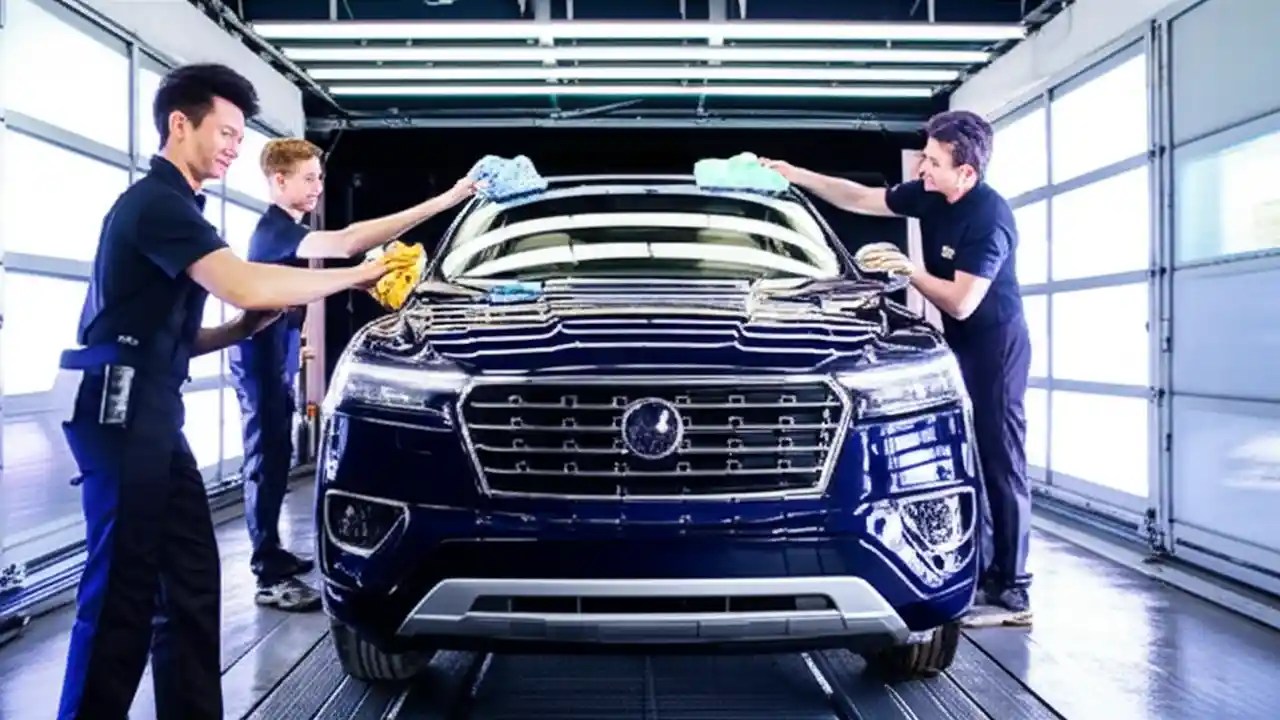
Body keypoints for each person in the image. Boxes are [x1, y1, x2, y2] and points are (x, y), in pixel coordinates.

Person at [55, 63, 413, 720]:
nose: (231, 147)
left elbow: (180, 333)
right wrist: (354, 278)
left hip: (151, 408)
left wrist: (240, 329)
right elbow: (248, 281)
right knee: (122, 594)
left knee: (190, 584)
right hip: (120, 407)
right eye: (223, 131)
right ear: (179, 123)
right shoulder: (156, 204)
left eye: (238, 136)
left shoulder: (181, 210)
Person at [760, 110, 1033, 626]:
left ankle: (1014, 592)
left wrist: (911, 270)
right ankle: (983, 576)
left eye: (933, 160)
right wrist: (795, 175)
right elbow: (860, 197)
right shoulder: (931, 194)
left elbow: (961, 302)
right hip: (963, 344)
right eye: (925, 156)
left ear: (966, 173)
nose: (922, 168)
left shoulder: (990, 219)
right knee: (972, 455)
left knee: (1001, 458)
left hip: (996, 344)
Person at [227, 137, 481, 611]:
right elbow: (346, 242)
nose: (318, 187)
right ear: (278, 181)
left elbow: (300, 283)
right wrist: (448, 199)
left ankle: (274, 555)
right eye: (308, 178)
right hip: (259, 355)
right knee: (266, 458)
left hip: (275, 349)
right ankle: (267, 574)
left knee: (277, 456)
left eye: (320, 178)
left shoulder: (288, 230)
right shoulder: (274, 229)